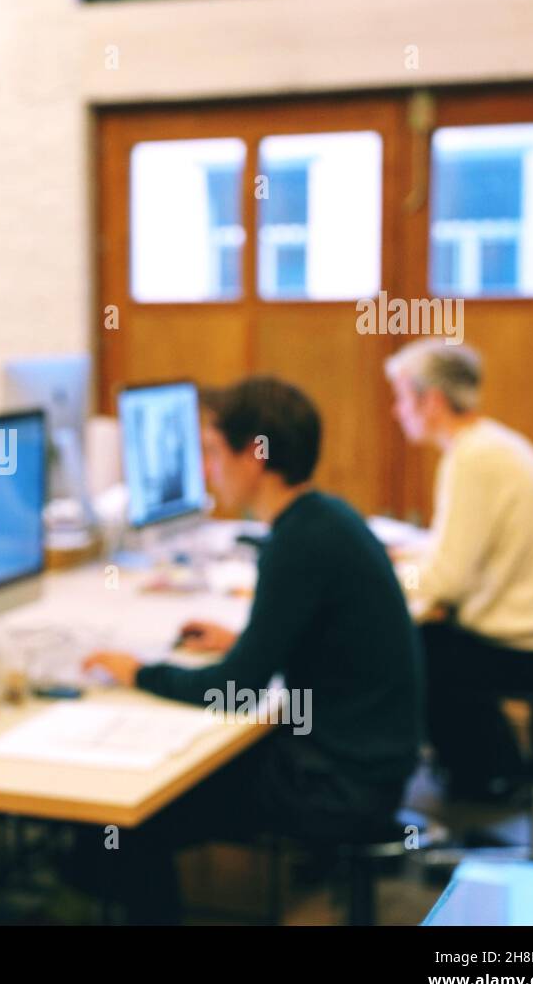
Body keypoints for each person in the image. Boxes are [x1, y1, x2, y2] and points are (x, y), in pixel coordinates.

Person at [80, 377, 421, 921]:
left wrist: (139, 672)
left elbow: (235, 692)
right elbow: (319, 639)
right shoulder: (325, 518)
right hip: (372, 761)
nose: (208, 469)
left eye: (215, 452)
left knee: (122, 822)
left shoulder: (296, 544)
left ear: (254, 457)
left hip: (338, 785)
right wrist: (248, 640)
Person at [385, 339, 533, 801]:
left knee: (396, 648)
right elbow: (456, 553)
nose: (396, 410)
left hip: (513, 647)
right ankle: (487, 768)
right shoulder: (491, 444)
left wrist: (383, 577)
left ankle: (476, 779)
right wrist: (407, 560)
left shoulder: (471, 459)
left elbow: (447, 579)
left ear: (432, 400)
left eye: (403, 396)